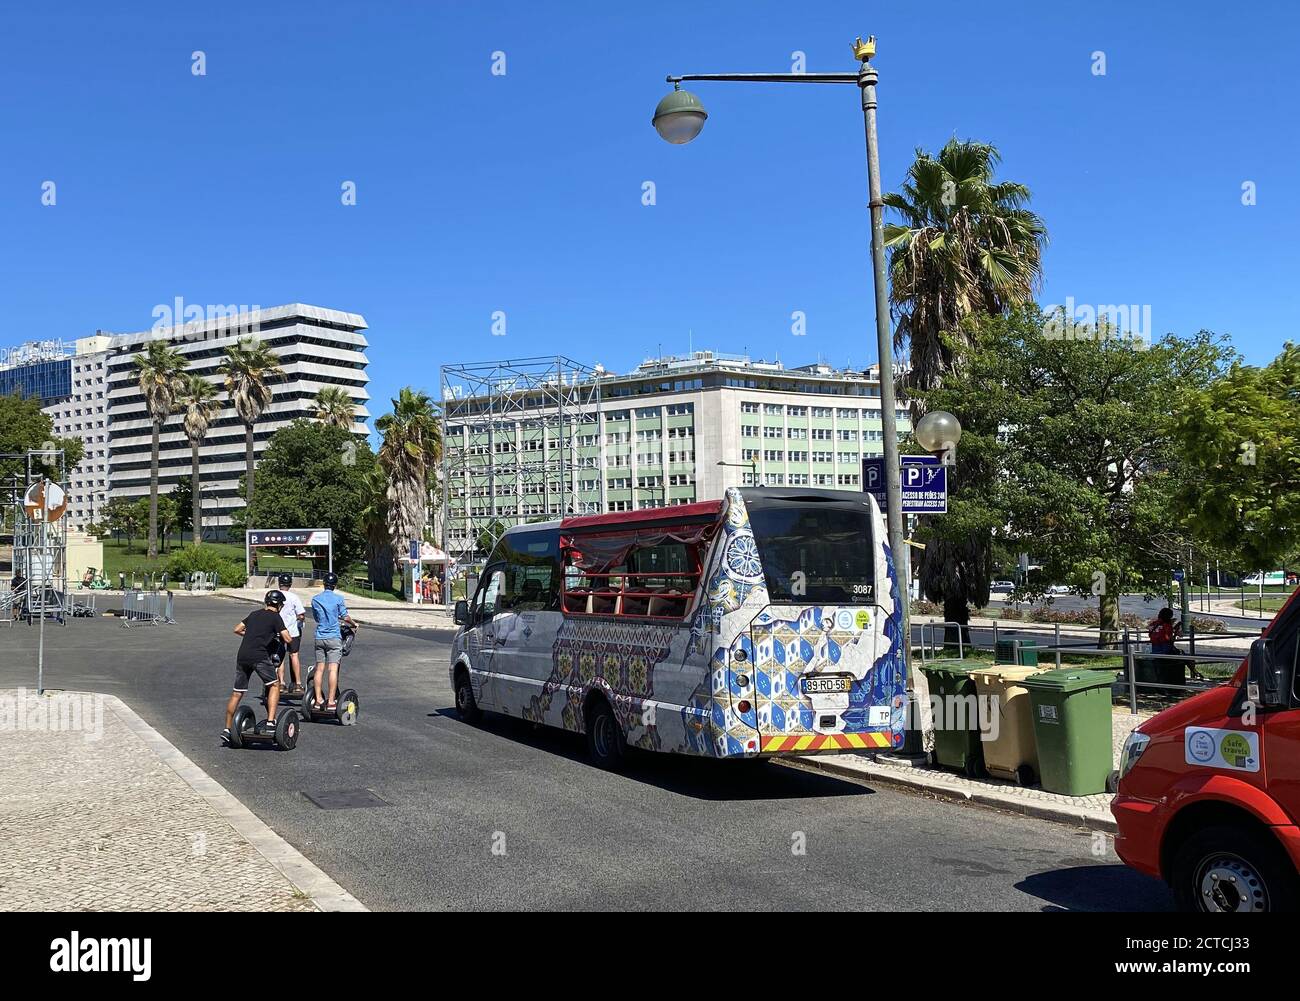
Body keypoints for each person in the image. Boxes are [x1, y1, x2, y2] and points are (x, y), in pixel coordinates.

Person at [225, 591, 293, 745]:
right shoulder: (276, 617)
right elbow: (287, 638)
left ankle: (227, 729)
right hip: (259, 656)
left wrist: (252, 636)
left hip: (242, 655)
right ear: (280, 605)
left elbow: (237, 629)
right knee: (274, 684)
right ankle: (270, 722)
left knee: (237, 693)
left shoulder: (254, 614)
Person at [310, 572, 357, 712]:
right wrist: (354, 624)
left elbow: (317, 618)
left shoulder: (315, 599)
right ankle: (331, 701)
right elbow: (345, 617)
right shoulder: (338, 598)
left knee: (319, 669)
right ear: (335, 585)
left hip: (319, 636)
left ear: (324, 584)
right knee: (332, 669)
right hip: (333, 637)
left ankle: (318, 700)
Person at [1148, 606, 1206, 683]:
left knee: (1181, 654)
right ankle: (1195, 672)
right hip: (1166, 651)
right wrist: (1176, 631)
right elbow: (1171, 640)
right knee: (1183, 655)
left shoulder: (1153, 625)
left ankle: (1195, 673)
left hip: (1155, 650)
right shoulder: (1167, 626)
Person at [275, 573, 307, 696]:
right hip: (292, 631)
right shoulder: (294, 597)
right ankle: (298, 684)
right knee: (294, 655)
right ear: (290, 584)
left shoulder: (276, 595)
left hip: (278, 630)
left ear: (279, 583)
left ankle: (281, 683)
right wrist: (299, 620)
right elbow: (301, 615)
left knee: (280, 656)